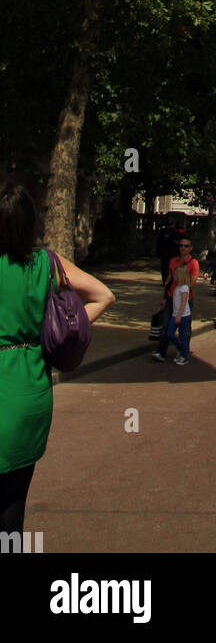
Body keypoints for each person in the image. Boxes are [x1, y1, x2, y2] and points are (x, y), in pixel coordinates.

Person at [0, 183, 114, 535]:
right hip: (30, 394)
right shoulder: (46, 264)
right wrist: (56, 336)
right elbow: (103, 295)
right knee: (12, 508)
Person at [153, 236, 200, 361]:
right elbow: (169, 278)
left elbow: (193, 280)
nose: (183, 248)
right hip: (171, 297)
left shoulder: (193, 263)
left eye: (186, 246)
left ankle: (183, 351)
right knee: (166, 324)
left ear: (190, 248)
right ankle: (161, 352)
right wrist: (163, 294)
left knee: (185, 328)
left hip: (186, 299)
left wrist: (183, 291)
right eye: (181, 246)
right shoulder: (173, 261)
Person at [165, 262, 192, 364]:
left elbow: (184, 302)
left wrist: (179, 315)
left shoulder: (184, 288)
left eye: (175, 275)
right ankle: (181, 349)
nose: (174, 277)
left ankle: (184, 356)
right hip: (175, 314)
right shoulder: (176, 287)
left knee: (182, 336)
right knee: (170, 334)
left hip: (183, 315)